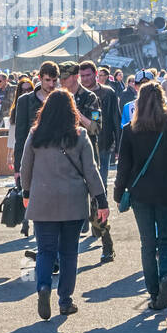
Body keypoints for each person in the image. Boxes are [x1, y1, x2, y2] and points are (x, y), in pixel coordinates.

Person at [20, 89, 109, 319]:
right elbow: (91, 170)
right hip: (73, 201)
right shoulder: (79, 135)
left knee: (45, 251)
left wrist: (26, 192)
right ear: (72, 111)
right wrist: (101, 199)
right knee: (69, 253)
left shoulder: (35, 134)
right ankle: (65, 300)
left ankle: (43, 286)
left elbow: (25, 167)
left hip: (42, 200)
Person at [114, 81, 167, 310]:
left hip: (141, 194)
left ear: (138, 103)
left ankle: (153, 291)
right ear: (164, 102)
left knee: (147, 244)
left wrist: (118, 193)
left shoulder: (129, 131)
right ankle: (166, 278)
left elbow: (123, 167)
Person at [61, 61, 116, 263]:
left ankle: (106, 242)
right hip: (66, 158)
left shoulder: (90, 98)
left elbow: (95, 128)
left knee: (96, 202)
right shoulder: (59, 98)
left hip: (87, 156)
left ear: (74, 77)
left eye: (65, 78)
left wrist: (76, 113)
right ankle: (62, 253)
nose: (61, 82)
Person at [13, 61, 59, 176]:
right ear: (40, 78)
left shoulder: (64, 99)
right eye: (48, 80)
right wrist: (18, 168)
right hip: (34, 159)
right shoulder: (25, 100)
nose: (51, 84)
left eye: (54, 80)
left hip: (59, 159)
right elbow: (20, 136)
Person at [81, 61, 121, 185]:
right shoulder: (76, 94)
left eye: (88, 75)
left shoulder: (108, 93)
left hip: (104, 143)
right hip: (81, 144)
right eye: (82, 76)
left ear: (95, 74)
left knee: (101, 184)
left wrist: (119, 147)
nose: (85, 79)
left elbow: (116, 119)